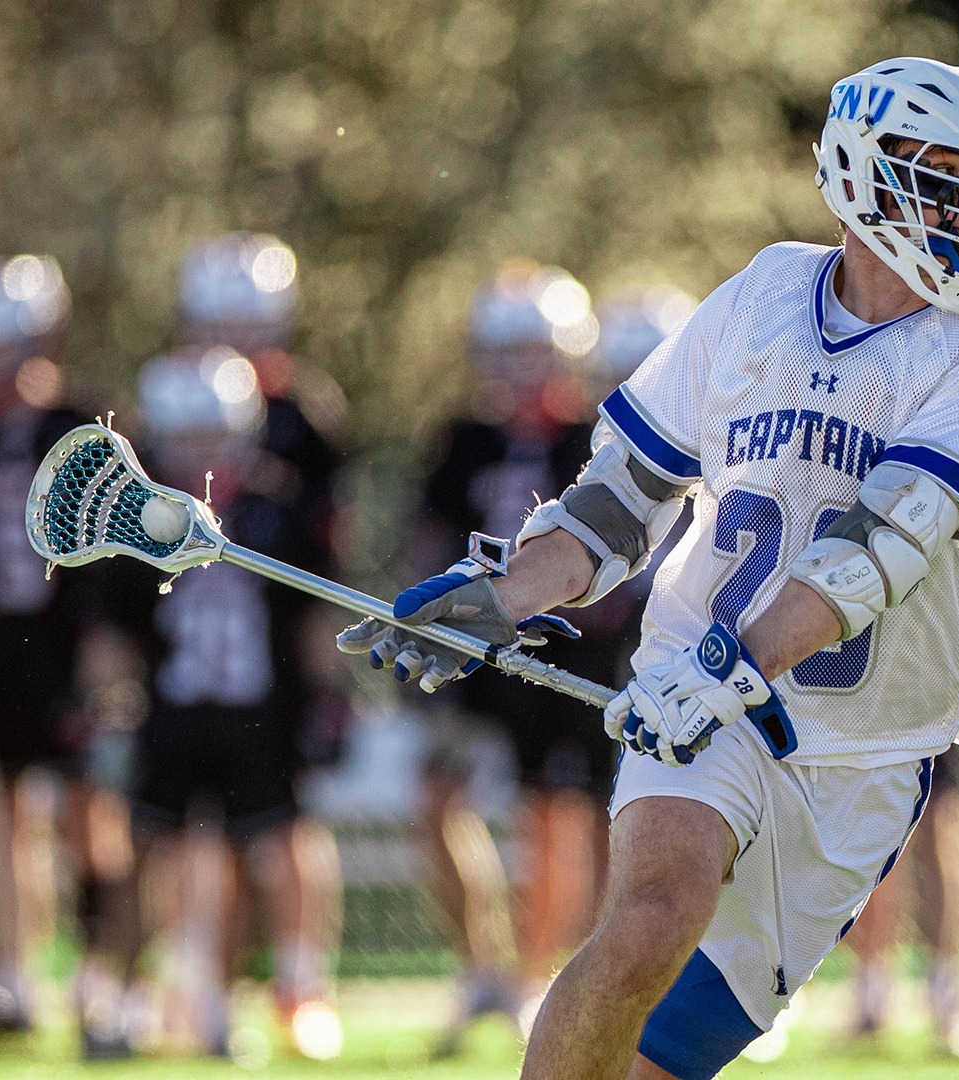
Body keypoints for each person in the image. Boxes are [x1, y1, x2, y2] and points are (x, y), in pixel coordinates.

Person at [339, 57, 959, 1080]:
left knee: (668, 1061)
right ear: (863, 173)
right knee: (645, 926)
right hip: (701, 701)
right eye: (948, 179)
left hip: (861, 752)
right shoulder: (763, 293)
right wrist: (506, 594)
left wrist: (730, 663)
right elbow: (623, 495)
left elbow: (876, 551)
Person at [408, 261, 629, 1053]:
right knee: (436, 800)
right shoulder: (462, 441)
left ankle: (535, 977)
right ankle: (482, 970)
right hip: (472, 651)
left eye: (533, 350)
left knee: (556, 815)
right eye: (505, 351)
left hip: (562, 651)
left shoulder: (594, 436)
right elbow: (428, 539)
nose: (519, 369)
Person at [89, 349, 334, 1057]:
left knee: (247, 855)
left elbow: (311, 616)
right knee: (143, 855)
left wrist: (326, 702)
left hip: (257, 714)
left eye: (213, 435)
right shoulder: (140, 520)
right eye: (187, 437)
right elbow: (115, 629)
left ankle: (226, 1011)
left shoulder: (276, 510)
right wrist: (105, 705)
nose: (201, 452)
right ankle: (125, 1002)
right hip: (170, 713)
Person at [0, 256, 140, 1054]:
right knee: (4, 812)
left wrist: (106, 650)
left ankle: (102, 977)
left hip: (69, 649)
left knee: (93, 816)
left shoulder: (82, 425)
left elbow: (119, 549)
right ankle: (15, 974)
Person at [175, 232, 349, 1053]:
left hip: (274, 653)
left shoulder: (302, 418)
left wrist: (327, 683)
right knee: (206, 836)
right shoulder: (170, 409)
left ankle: (301, 985)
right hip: (197, 654)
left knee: (284, 831)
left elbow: (326, 557)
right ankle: (208, 994)